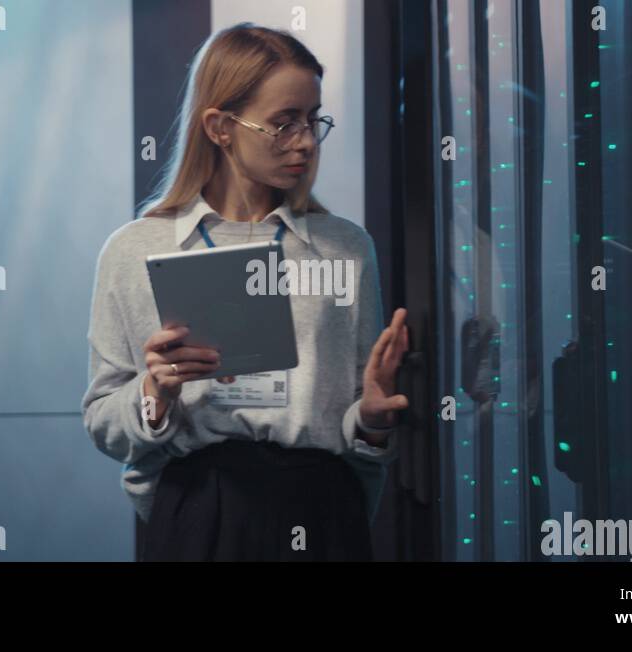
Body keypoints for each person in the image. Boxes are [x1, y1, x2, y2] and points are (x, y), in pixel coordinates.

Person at [81, 22, 409, 561]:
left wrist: (372, 421)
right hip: (199, 510)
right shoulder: (133, 250)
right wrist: (154, 394)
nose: (305, 141)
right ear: (219, 127)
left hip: (322, 507)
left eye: (313, 120)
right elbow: (102, 423)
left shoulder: (347, 247)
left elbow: (357, 419)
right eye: (284, 123)